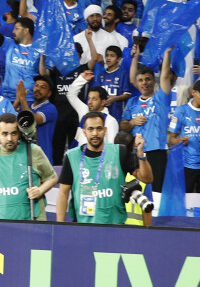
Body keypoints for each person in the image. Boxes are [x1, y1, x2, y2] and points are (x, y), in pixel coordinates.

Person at [57, 111, 152, 224]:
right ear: (84, 132)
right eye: (90, 129)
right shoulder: (72, 156)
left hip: (115, 227)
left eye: (99, 128)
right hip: (82, 226)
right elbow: (63, 192)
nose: (95, 133)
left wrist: (141, 155)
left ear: (105, 130)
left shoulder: (119, 152)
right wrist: (60, 225)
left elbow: (147, 179)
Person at [121, 45, 172, 187]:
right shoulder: (132, 102)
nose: (145, 83)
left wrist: (167, 53)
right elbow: (123, 126)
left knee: (155, 192)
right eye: (141, 80)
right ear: (137, 83)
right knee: (134, 191)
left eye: (148, 79)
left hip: (156, 152)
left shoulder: (161, 99)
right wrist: (132, 122)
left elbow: (166, 76)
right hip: (135, 153)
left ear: (154, 81)